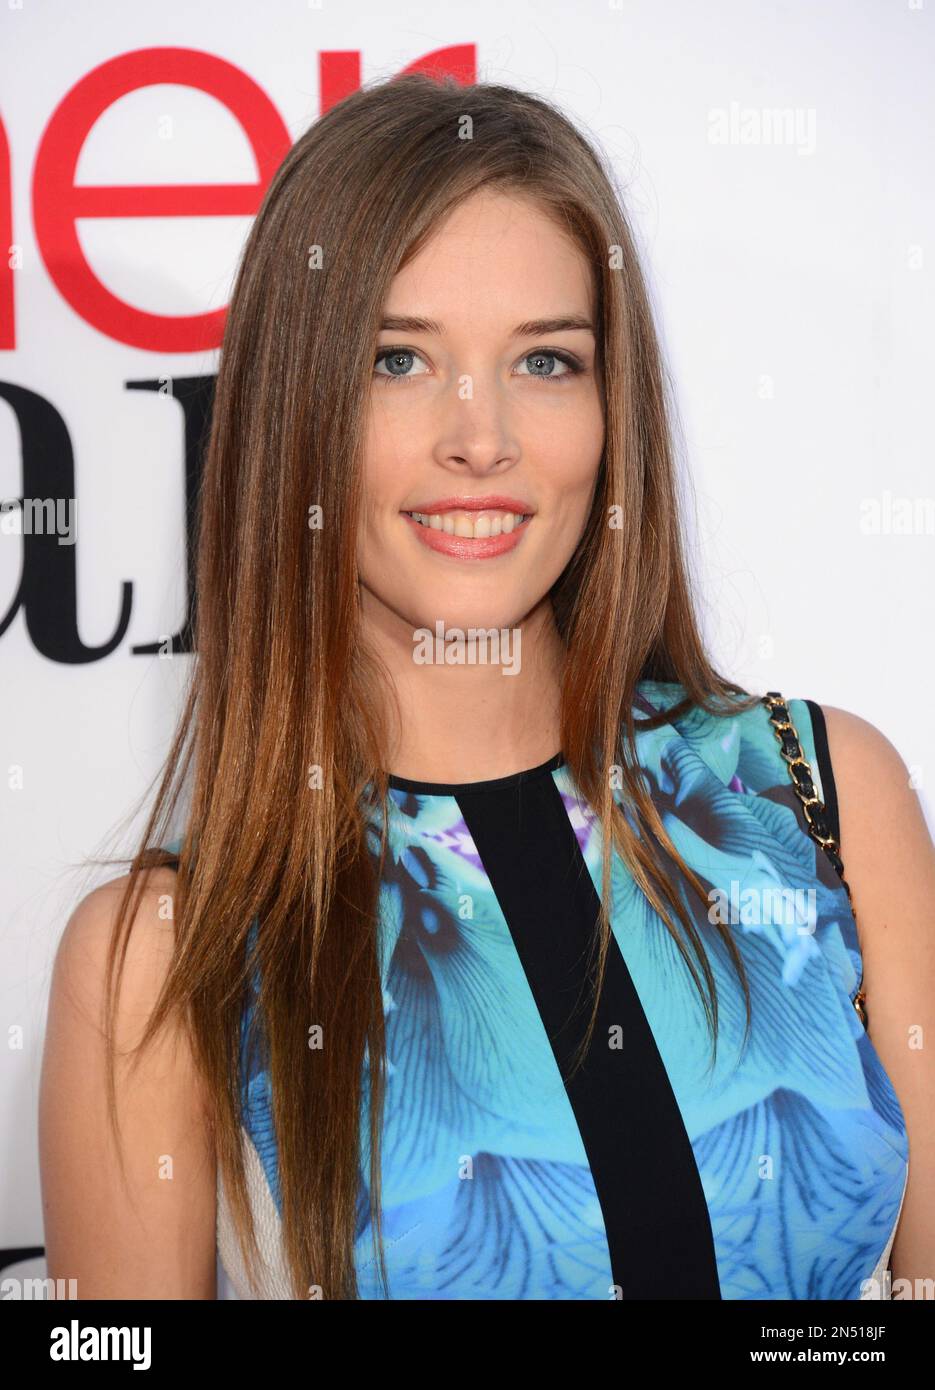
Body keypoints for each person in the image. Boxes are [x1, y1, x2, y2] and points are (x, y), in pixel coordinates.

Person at [39, 75, 935, 1301]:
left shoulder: (819, 795)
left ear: (612, 411)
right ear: (291, 406)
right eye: (397, 358)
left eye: (546, 361)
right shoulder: (160, 956)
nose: (482, 436)